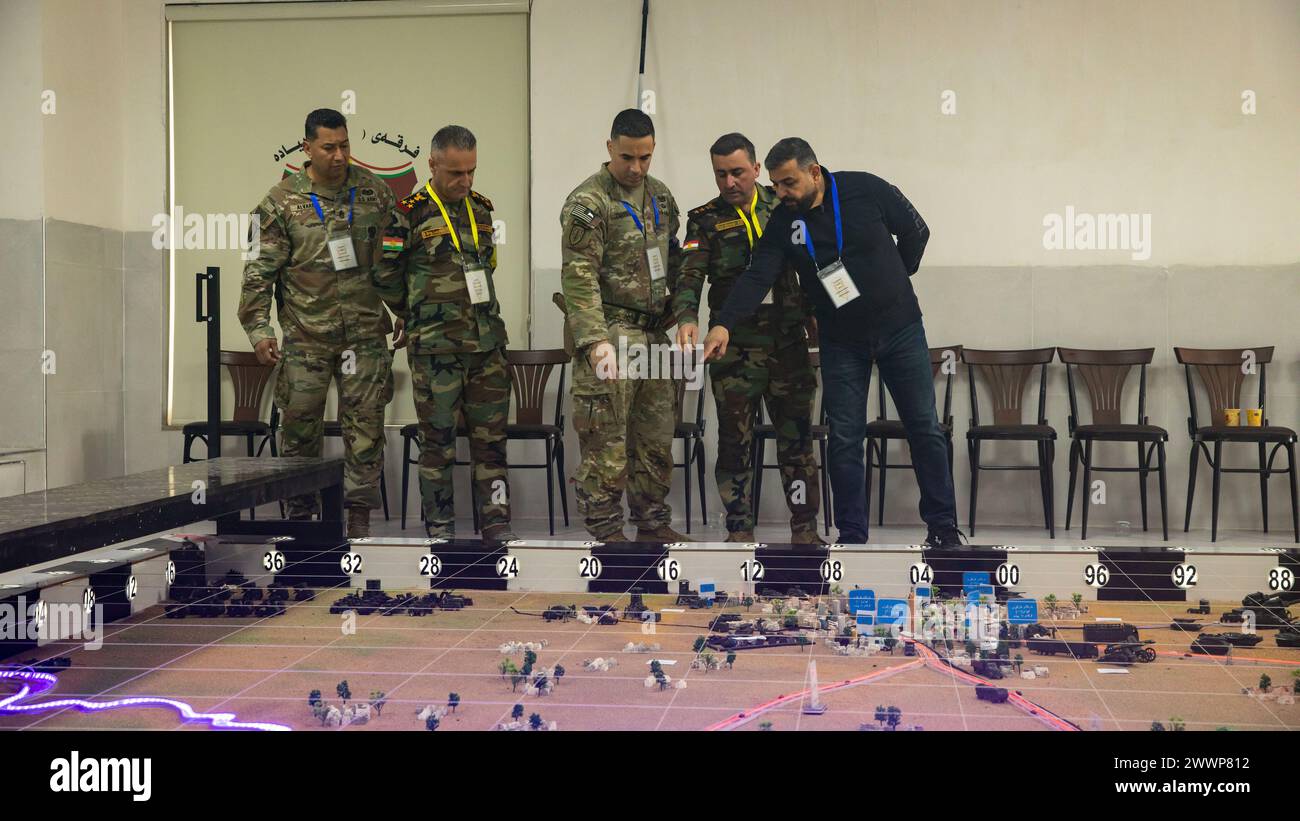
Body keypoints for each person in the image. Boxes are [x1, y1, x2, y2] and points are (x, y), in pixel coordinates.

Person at [702, 137, 962, 547]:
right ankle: (852, 535)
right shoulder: (786, 221)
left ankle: (944, 529)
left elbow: (916, 231)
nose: (781, 193)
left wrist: (897, 275)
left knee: (924, 428)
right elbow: (758, 275)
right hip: (842, 341)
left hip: (900, 329)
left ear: (815, 172)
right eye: (776, 184)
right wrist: (723, 325)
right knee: (844, 436)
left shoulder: (866, 189)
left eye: (789, 183)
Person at [239, 108, 398, 538]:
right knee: (298, 430)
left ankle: (359, 518)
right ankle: (300, 519)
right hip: (305, 338)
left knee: (365, 428)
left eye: (345, 145)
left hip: (364, 336)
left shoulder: (375, 194)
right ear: (307, 147)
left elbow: (397, 259)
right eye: (329, 147)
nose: (340, 155)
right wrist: (259, 331)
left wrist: (404, 309)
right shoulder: (278, 203)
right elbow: (258, 273)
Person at [674, 133, 822, 544]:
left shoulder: (786, 206)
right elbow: (689, 274)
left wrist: (817, 314)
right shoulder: (705, 218)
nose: (729, 183)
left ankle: (805, 530)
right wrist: (686, 315)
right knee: (734, 442)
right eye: (720, 174)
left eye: (737, 172)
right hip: (733, 347)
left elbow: (814, 263)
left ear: (757, 170)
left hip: (787, 342)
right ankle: (739, 530)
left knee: (796, 441)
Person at [372, 125, 515, 544]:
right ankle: (441, 527)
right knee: (438, 447)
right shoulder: (408, 213)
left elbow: (487, 263)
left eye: (471, 171)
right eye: (455, 172)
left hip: (486, 345)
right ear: (432, 164)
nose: (465, 181)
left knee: (492, 444)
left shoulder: (482, 209)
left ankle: (496, 521)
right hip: (435, 350)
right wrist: (412, 312)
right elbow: (384, 274)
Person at [558, 109, 691, 543]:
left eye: (645, 158)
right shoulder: (589, 202)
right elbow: (579, 277)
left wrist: (682, 312)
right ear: (610, 148)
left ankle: (652, 523)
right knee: (606, 439)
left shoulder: (662, 197)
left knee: (655, 435)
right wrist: (595, 342)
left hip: (653, 335)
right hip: (610, 333)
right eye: (628, 157)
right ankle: (605, 529)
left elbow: (673, 258)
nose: (636, 168)